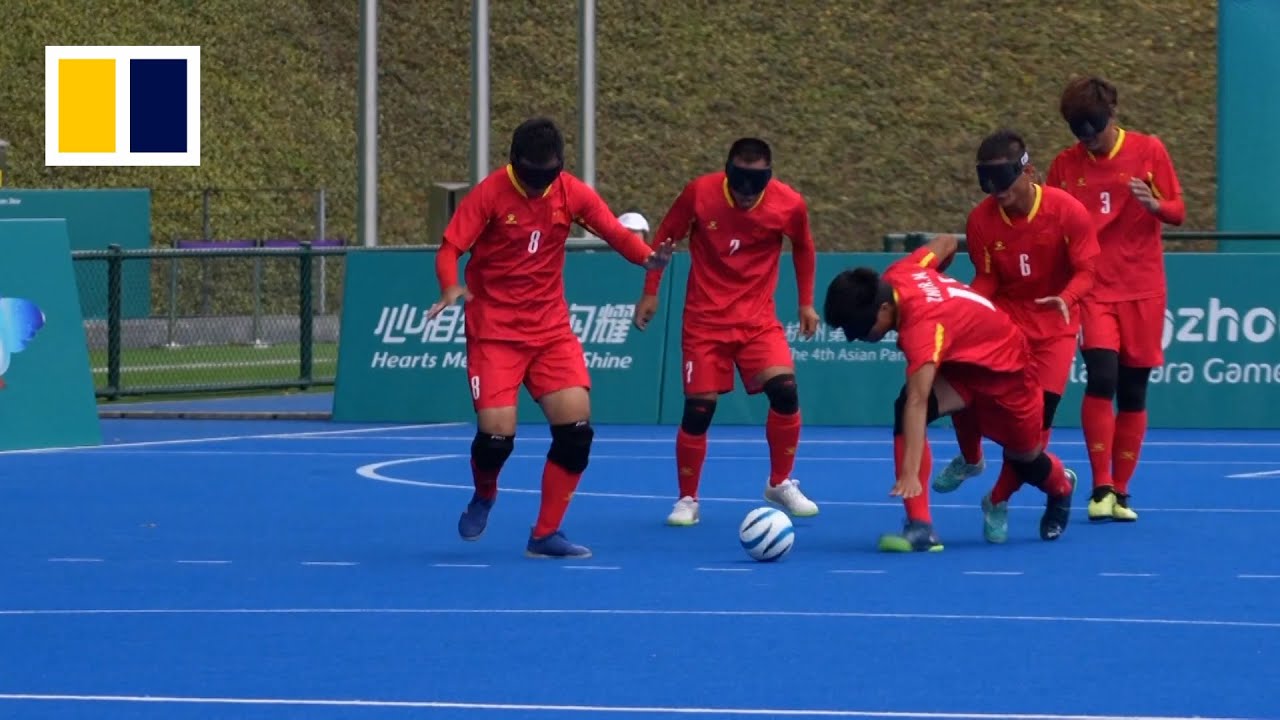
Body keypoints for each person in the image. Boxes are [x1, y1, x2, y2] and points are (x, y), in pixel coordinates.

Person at [428, 116, 673, 559]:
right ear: (513, 163)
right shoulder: (489, 194)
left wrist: (647, 258)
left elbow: (614, 231)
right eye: (532, 176)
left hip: (550, 330)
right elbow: (450, 249)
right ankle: (485, 494)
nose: (541, 185)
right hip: (495, 332)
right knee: (496, 439)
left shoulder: (569, 191)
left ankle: (545, 534)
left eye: (548, 175)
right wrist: (450, 285)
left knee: (576, 431)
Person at [823, 235, 1077, 552]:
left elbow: (919, 398)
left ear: (885, 308)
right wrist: (939, 283)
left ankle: (1062, 487)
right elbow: (945, 242)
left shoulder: (923, 327)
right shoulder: (901, 272)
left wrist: (910, 473)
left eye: (861, 330)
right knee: (903, 405)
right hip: (964, 370)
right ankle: (920, 527)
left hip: (1009, 378)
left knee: (1026, 460)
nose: (858, 338)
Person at [633, 137, 820, 526]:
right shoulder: (700, 193)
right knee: (699, 410)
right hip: (705, 321)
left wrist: (805, 302)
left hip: (757, 321)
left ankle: (780, 482)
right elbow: (666, 236)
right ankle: (687, 499)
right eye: (739, 189)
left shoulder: (789, 203)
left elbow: (803, 247)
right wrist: (650, 291)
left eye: (756, 190)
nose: (747, 198)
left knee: (785, 392)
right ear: (728, 175)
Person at [930, 130, 1099, 543]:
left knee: (1030, 438)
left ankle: (1007, 498)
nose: (997, 191)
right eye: (987, 182)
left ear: (1029, 171)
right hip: (1005, 326)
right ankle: (971, 459)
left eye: (1004, 180)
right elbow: (988, 277)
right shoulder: (982, 220)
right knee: (957, 378)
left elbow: (1087, 271)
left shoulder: (1066, 211)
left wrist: (1066, 297)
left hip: (1055, 331)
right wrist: (967, 307)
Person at [1045, 76, 1186, 522]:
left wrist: (1155, 205)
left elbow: (1179, 210)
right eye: (1079, 132)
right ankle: (1100, 485)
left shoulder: (1149, 150)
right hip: (1095, 288)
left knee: (1133, 388)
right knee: (1101, 378)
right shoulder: (1065, 166)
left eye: (1096, 128)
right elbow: (1050, 223)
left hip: (1143, 286)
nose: (1089, 140)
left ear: (1114, 114)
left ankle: (1122, 493)